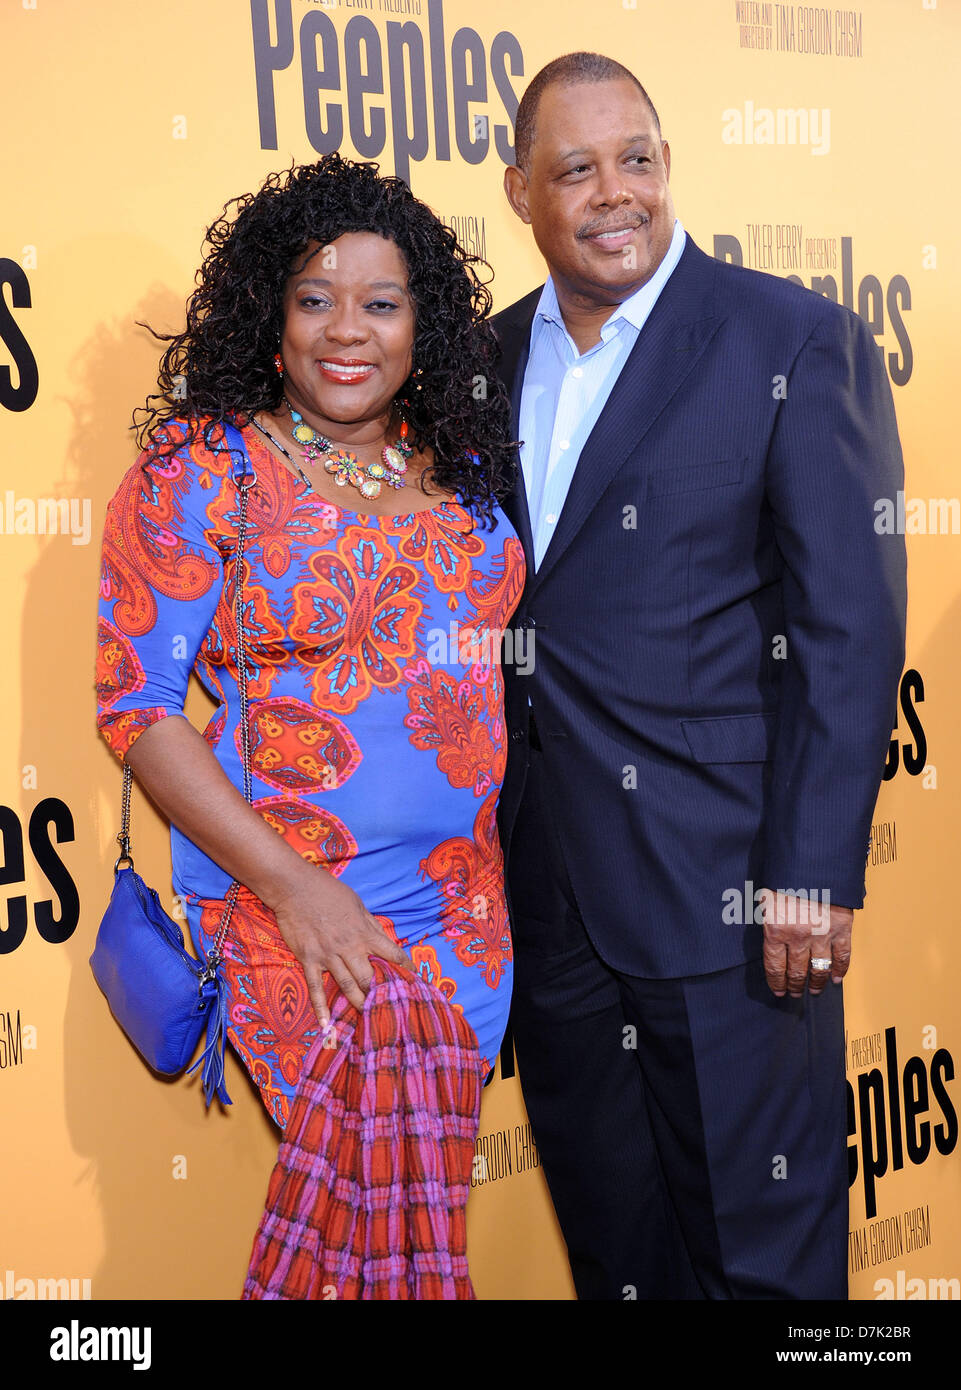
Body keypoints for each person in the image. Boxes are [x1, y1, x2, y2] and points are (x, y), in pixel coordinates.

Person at [492, 53, 907, 1300]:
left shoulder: (789, 337)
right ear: (520, 191)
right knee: (622, 1261)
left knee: (765, 1271)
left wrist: (812, 872)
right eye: (576, 169)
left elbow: (847, 625)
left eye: (638, 160)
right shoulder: (481, 357)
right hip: (551, 901)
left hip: (730, 899)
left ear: (668, 167)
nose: (615, 194)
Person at [95, 153, 524, 1299]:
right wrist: (297, 890)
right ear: (268, 317)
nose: (349, 330)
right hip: (296, 909)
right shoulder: (203, 471)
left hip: (464, 920)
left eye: (381, 303)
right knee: (376, 1218)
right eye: (315, 299)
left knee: (399, 1227)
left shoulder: (467, 477)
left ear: (419, 324)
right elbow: (137, 709)